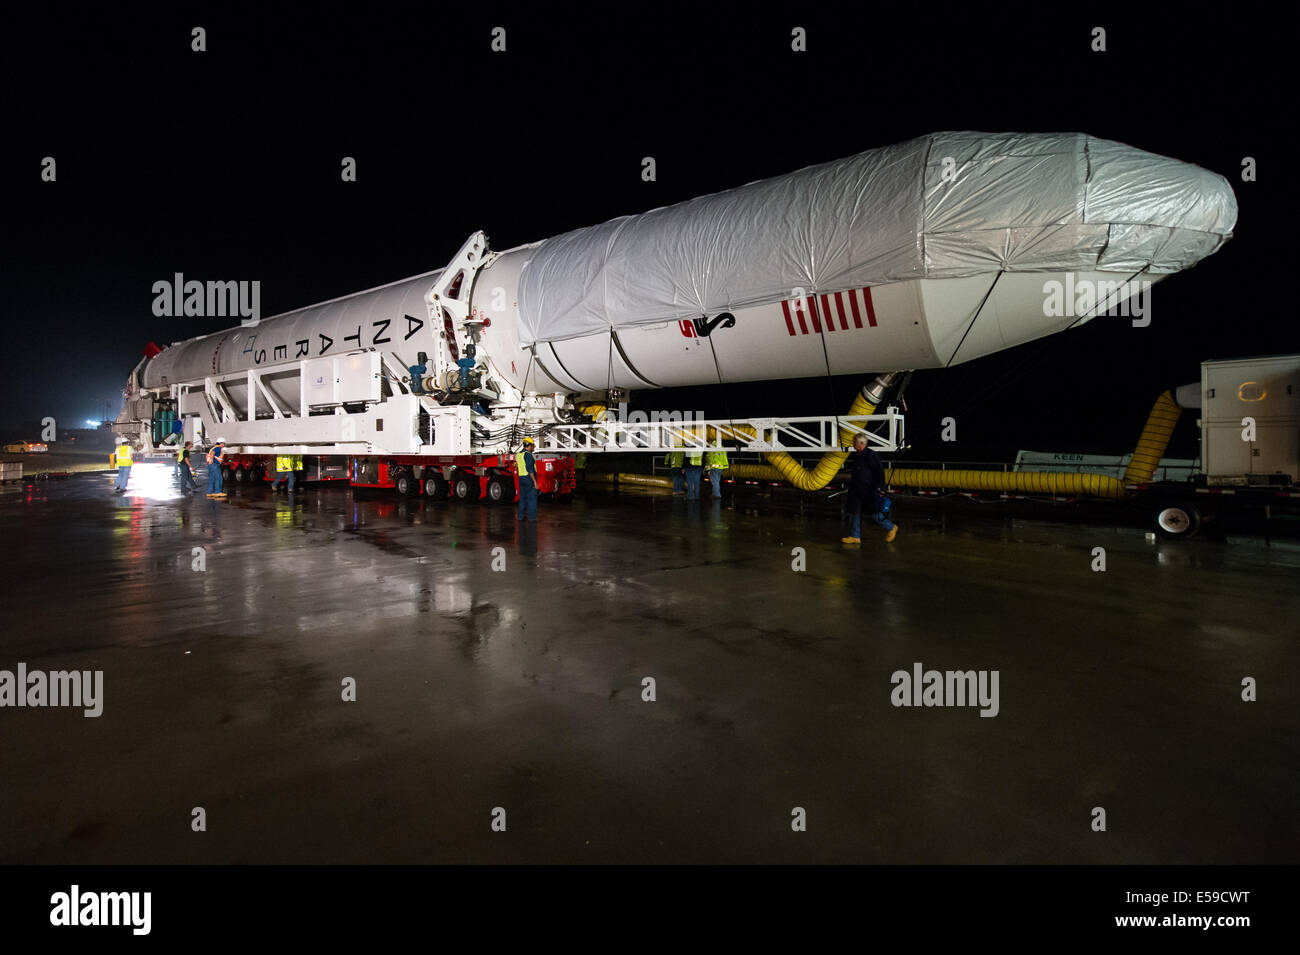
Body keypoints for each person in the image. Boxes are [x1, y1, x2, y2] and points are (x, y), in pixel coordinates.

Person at [842, 434, 897, 543]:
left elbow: (879, 472)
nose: (853, 445)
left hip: (869, 490)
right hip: (857, 489)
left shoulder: (871, 455)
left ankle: (891, 527)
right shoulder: (857, 455)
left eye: (855, 442)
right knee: (855, 511)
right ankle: (855, 536)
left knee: (873, 513)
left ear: (862, 443)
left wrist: (880, 488)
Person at [515, 436, 539, 521]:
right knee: (532, 499)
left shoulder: (519, 454)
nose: (533, 448)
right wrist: (535, 482)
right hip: (529, 479)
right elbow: (530, 470)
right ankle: (532, 518)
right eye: (532, 446)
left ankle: (521, 517)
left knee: (522, 499)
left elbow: (517, 466)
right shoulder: (528, 455)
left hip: (521, 478)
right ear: (529, 445)